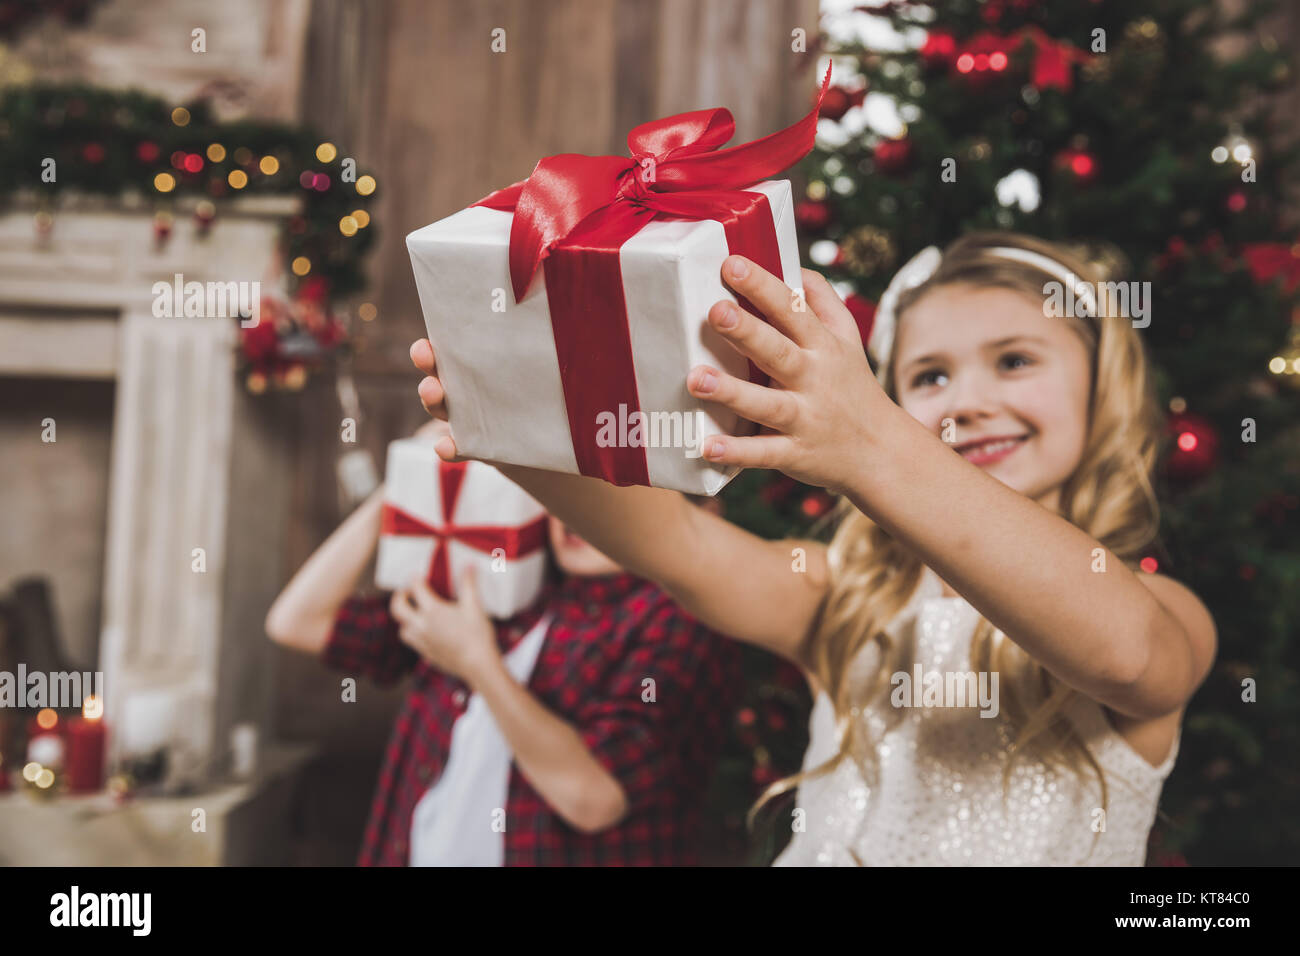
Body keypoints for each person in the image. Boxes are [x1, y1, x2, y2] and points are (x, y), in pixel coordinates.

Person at [410, 231, 1218, 866]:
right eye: (929, 378)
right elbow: (681, 545)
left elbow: (1122, 655)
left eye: (1013, 361)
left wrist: (873, 445)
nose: (968, 402)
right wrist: (511, 420)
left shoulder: (1161, 611)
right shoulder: (843, 594)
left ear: (1100, 384)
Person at [265, 421, 741, 866]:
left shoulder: (681, 621)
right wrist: (407, 480)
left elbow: (595, 798)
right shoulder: (505, 584)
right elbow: (296, 621)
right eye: (577, 480)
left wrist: (478, 664)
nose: (586, 508)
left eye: (621, 489)